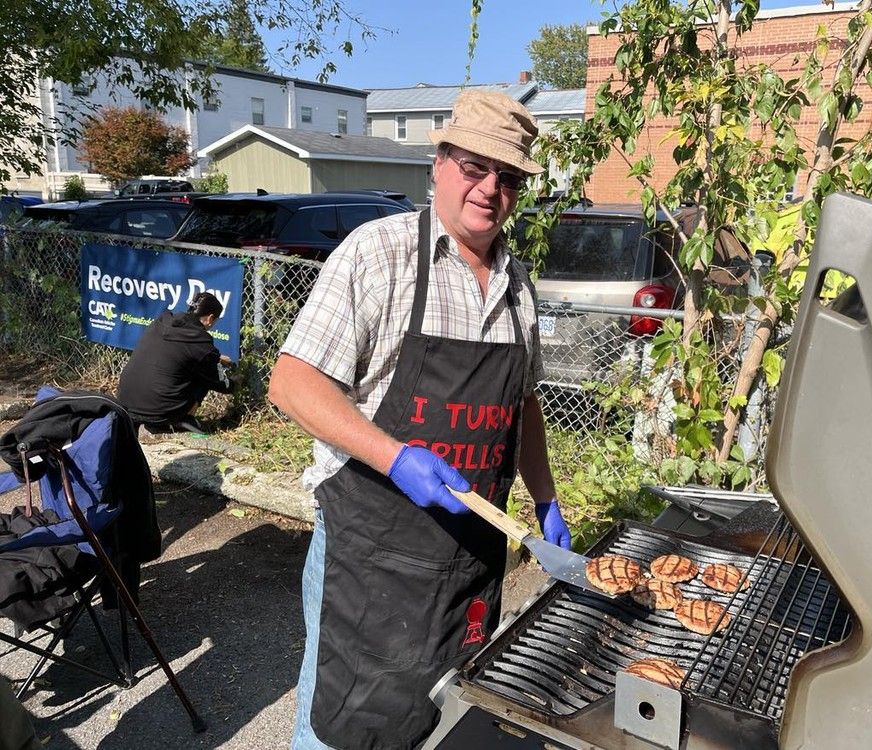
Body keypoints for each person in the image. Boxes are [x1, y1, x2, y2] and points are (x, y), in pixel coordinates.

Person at [268, 89, 572, 750]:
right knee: (341, 728)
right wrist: (394, 456)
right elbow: (292, 384)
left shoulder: (519, 288)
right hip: (370, 559)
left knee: (442, 725)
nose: (490, 189)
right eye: (474, 168)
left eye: (509, 178)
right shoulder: (380, 254)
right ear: (439, 163)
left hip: (468, 564)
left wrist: (546, 498)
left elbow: (523, 403)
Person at [117, 292, 235, 433]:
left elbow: (177, 352)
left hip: (125, 403)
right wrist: (237, 381)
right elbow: (221, 384)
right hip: (158, 413)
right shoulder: (201, 342)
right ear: (210, 318)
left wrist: (215, 357)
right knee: (202, 376)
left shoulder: (161, 322)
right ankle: (182, 420)